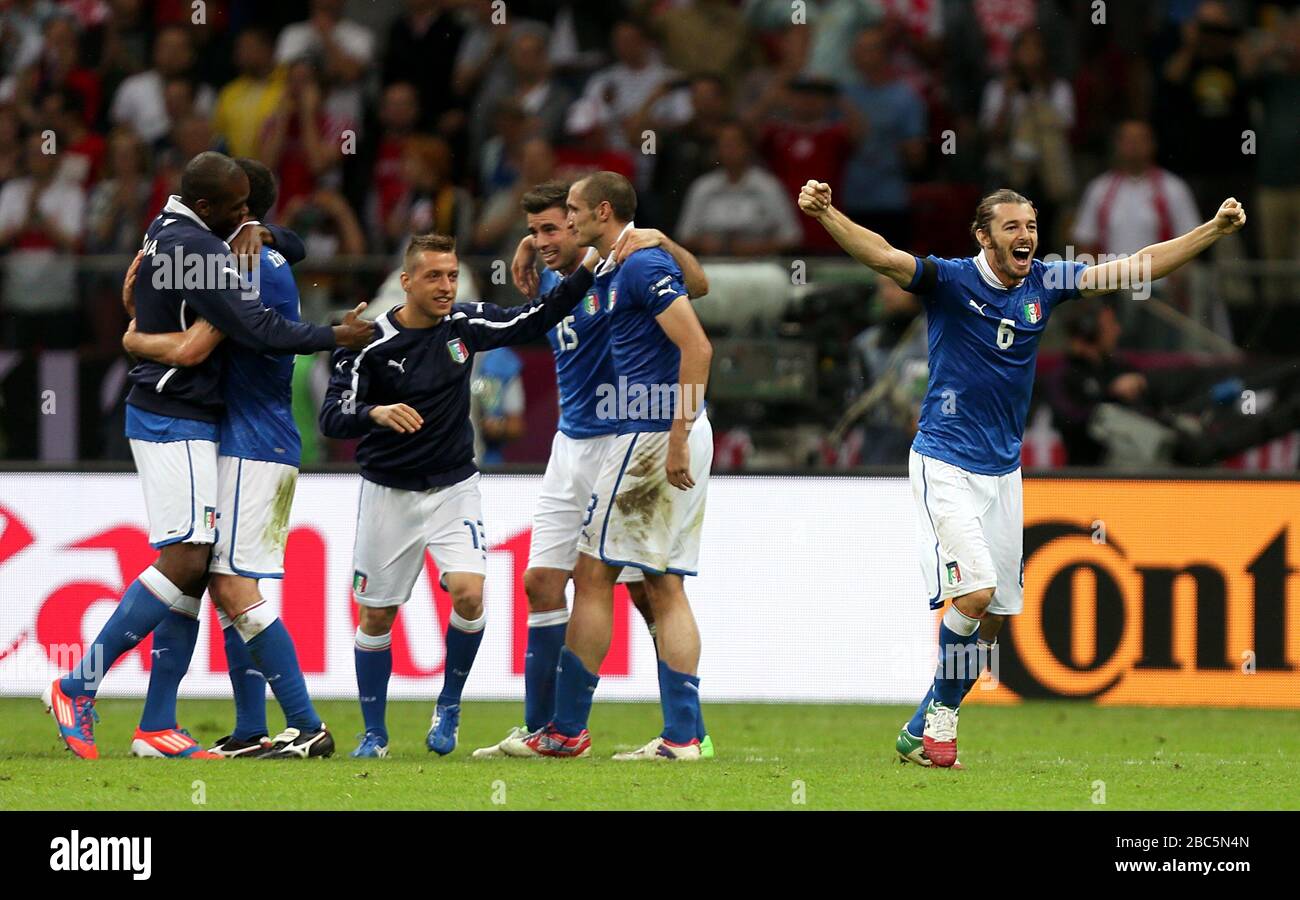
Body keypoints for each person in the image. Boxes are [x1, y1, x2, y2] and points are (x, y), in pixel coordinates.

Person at [796, 178, 1246, 768]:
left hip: (1004, 472)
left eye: (1031, 226)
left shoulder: (1047, 282)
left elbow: (1136, 266)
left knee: (997, 620)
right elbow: (882, 255)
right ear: (983, 236)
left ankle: (916, 726)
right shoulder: (952, 280)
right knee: (976, 593)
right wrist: (829, 214)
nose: (1025, 235)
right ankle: (941, 725)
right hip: (945, 460)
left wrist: (1211, 229)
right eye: (1011, 226)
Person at [43, 151, 374, 760]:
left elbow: (273, 267)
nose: (242, 216)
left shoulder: (190, 240)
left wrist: (137, 333)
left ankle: (163, 721)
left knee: (205, 572)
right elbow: (243, 334)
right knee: (199, 566)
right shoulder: (208, 253)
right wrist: (336, 334)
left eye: (250, 208)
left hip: (243, 435)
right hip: (194, 422)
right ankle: (84, 687)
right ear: (210, 209)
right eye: (236, 207)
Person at [318, 232, 599, 759]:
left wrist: (588, 266)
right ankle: (374, 733)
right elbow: (331, 416)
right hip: (388, 494)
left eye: (451, 276)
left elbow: (537, 317)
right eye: (434, 277)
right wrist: (374, 413)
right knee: (375, 616)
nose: (446, 287)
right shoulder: (369, 341)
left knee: (470, 594)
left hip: (454, 487)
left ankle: (449, 702)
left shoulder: (465, 325)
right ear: (406, 282)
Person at [472, 179, 713, 759]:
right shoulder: (601, 268)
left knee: (600, 576)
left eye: (566, 219)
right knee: (660, 582)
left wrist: (677, 434)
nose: (558, 230)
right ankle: (683, 735)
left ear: (596, 214)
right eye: (542, 228)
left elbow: (697, 343)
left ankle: (566, 730)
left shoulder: (636, 262)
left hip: (647, 433)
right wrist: (535, 246)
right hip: (643, 432)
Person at [120, 158, 320, 758]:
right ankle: (248, 729)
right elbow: (296, 245)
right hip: (240, 437)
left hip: (258, 443)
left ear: (236, 215)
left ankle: (306, 725)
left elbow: (191, 345)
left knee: (231, 583)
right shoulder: (246, 253)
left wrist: (135, 337)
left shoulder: (243, 265)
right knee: (214, 576)